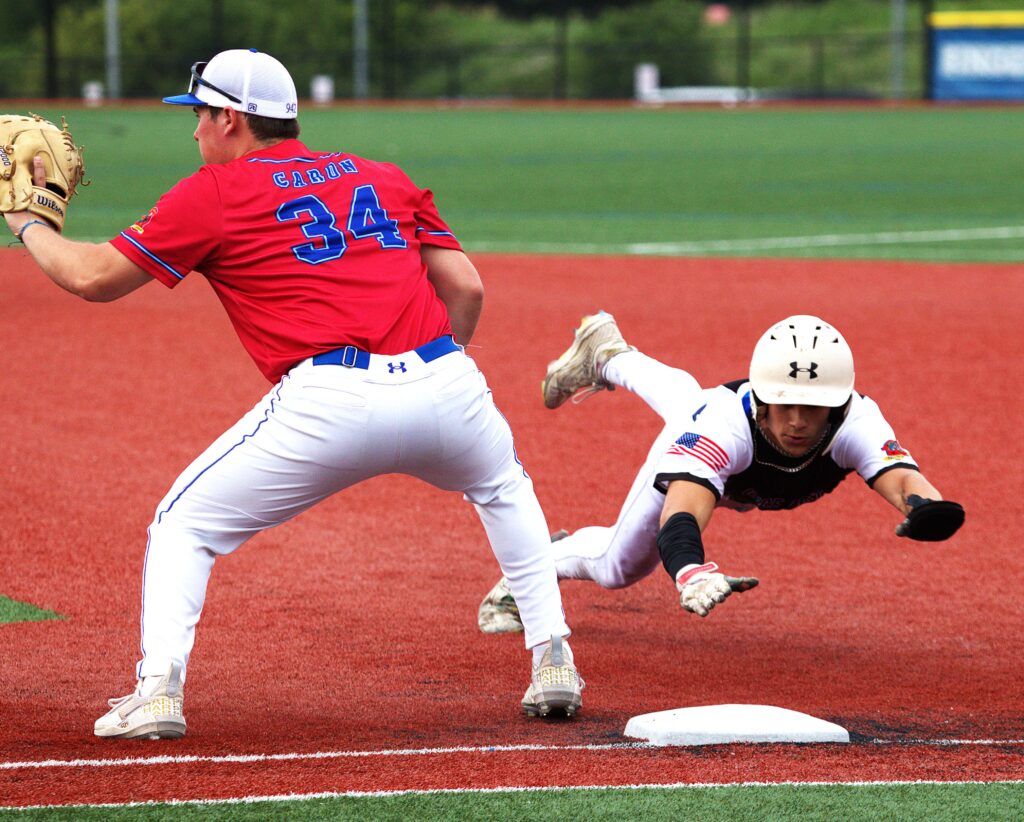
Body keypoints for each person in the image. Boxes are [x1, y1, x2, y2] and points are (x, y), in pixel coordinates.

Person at [4, 49, 583, 739]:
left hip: (328, 401)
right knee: (504, 487)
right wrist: (441, 379)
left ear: (229, 117)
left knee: (182, 526)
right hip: (445, 382)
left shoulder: (214, 193)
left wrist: (28, 222)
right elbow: (466, 287)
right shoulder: (381, 175)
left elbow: (93, 277)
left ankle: (157, 690)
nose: (193, 133)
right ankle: (553, 660)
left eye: (198, 116)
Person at [478, 311, 964, 632]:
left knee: (689, 398)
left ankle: (610, 356)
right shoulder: (724, 426)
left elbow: (902, 478)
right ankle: (536, 565)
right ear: (762, 397)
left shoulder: (855, 419)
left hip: (714, 423)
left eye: (812, 408)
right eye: (784, 403)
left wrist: (926, 509)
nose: (797, 420)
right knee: (618, 566)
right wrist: (691, 572)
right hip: (703, 445)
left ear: (837, 404)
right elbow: (681, 515)